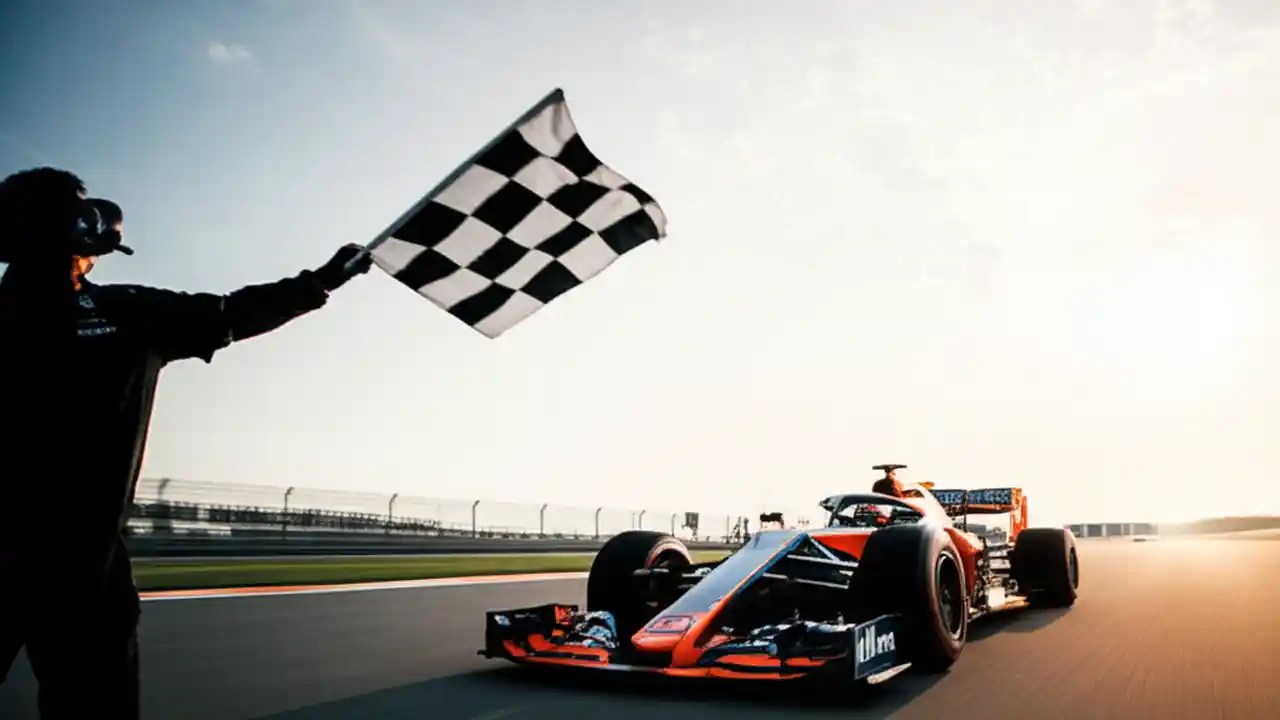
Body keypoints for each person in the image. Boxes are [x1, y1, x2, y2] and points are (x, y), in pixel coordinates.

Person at [0, 166, 373, 717]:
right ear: (81, 229)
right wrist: (320, 281)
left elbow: (225, 313)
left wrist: (317, 283)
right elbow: (231, 312)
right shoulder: (124, 311)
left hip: (82, 567)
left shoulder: (125, 311)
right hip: (82, 568)